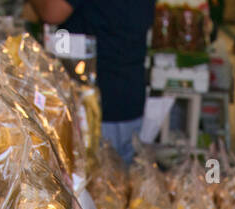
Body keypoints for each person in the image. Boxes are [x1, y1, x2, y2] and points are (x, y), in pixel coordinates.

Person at [31, 0, 157, 163]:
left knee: (89, 178)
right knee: (118, 180)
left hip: (93, 104)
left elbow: (53, 12)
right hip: (129, 95)